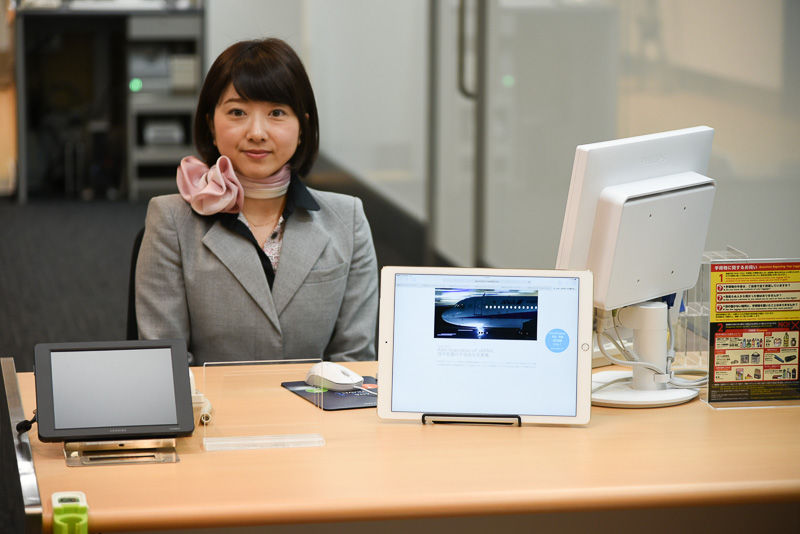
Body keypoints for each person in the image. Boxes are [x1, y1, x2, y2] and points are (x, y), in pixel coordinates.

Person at [135, 38, 378, 365]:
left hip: (316, 414)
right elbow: (165, 364)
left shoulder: (347, 220)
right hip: (213, 414)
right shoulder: (170, 220)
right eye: (237, 112)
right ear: (211, 123)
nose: (257, 132)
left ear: (302, 126)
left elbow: (355, 362)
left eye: (277, 113)